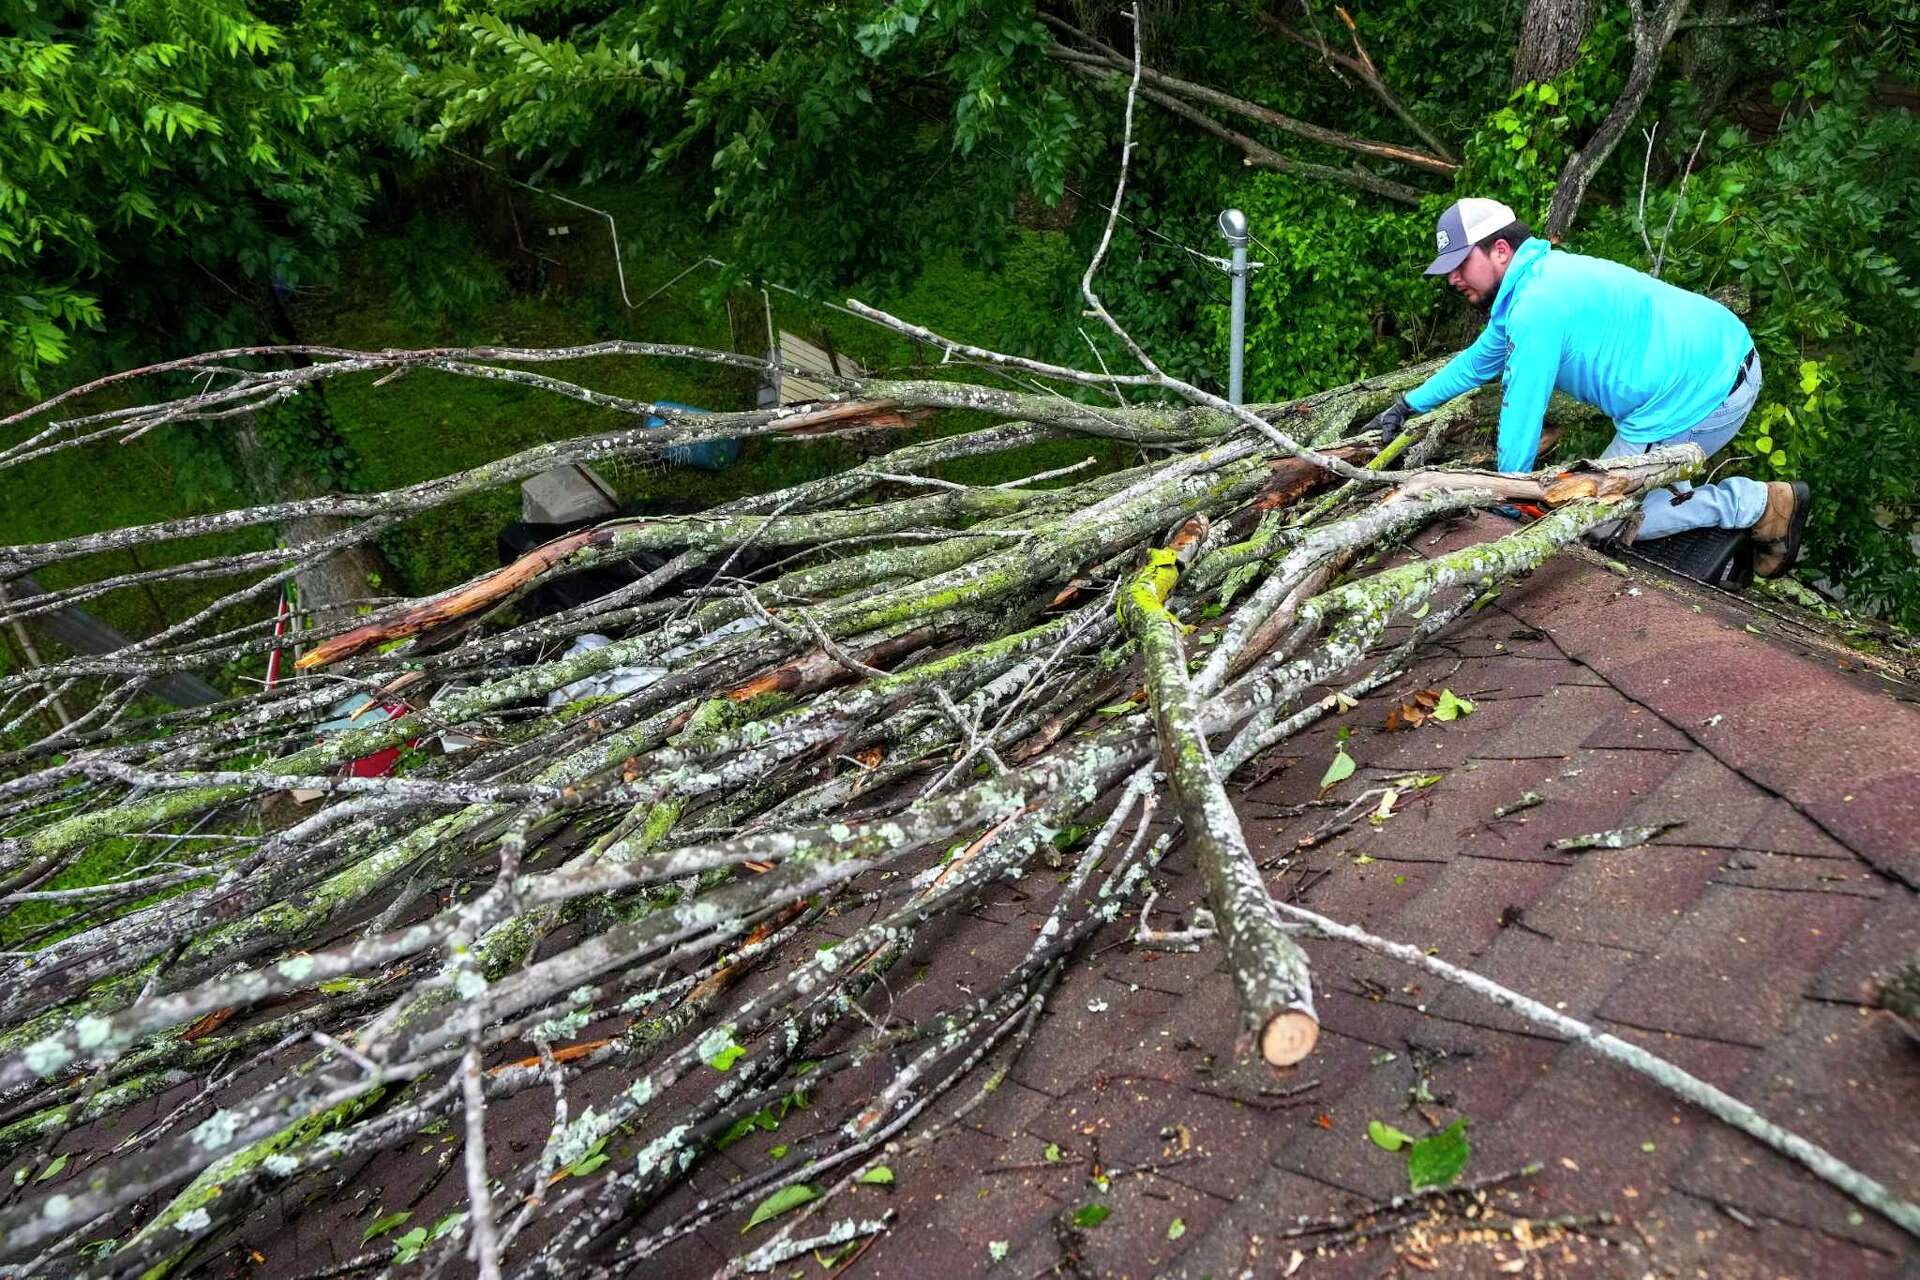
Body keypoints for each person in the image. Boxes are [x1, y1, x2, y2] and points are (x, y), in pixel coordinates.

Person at [1366, 197, 1811, 576]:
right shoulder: (1535, 283)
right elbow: (1475, 365)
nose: (1452, 279)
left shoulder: (1537, 306)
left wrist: (1504, 496)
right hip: (1710, 364)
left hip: (1701, 391)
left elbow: (1521, 409)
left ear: (1500, 250)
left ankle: (1759, 506)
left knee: (1592, 519)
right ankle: (1716, 505)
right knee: (1598, 494)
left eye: (1460, 264)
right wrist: (1406, 405)